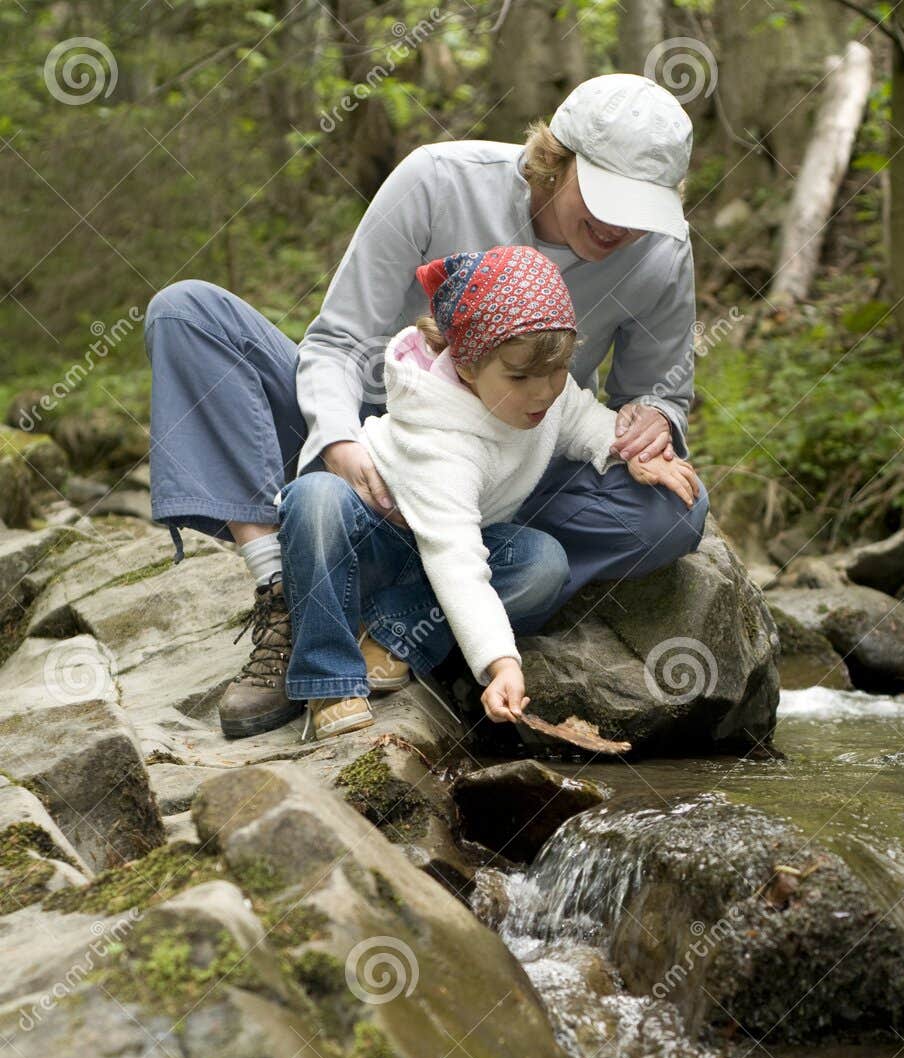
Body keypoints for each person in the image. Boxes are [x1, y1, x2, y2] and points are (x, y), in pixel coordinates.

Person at [144, 72, 709, 739]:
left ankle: (413, 611)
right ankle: (282, 588)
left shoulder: (662, 255)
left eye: (640, 208)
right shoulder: (438, 180)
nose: (619, 226)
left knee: (676, 511)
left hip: (508, 457)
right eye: (607, 196)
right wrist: (337, 442)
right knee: (186, 312)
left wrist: (652, 423)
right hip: (375, 432)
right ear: (556, 160)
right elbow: (337, 341)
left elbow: (654, 394)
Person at [279, 246, 701, 741]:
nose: (543, 391)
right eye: (521, 376)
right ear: (467, 365)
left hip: (434, 550)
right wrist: (500, 663)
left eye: (559, 368)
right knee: (315, 499)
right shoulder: (442, 441)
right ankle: (328, 678)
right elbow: (457, 561)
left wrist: (633, 451)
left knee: (541, 562)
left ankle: (389, 633)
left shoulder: (542, 392)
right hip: (371, 543)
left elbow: (584, 421)